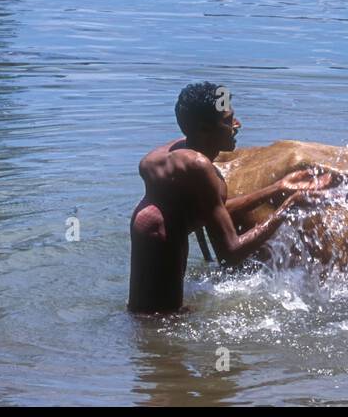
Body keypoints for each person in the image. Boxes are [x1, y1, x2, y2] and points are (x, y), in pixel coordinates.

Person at [128, 82, 332, 314]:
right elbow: (230, 253)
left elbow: (212, 209)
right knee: (161, 332)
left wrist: (277, 188)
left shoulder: (175, 152)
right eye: (228, 120)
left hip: (151, 240)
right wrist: (288, 207)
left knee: (145, 321)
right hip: (159, 278)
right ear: (204, 130)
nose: (237, 125)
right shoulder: (199, 166)